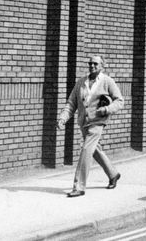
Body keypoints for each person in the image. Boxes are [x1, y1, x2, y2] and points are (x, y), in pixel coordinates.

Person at [57, 55, 124, 198]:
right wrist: (63, 118)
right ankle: (113, 174)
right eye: (90, 63)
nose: (92, 66)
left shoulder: (107, 81)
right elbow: (71, 103)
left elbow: (119, 101)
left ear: (102, 66)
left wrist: (106, 109)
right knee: (95, 150)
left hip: (98, 122)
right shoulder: (81, 82)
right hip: (84, 122)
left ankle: (79, 186)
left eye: (95, 64)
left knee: (86, 150)